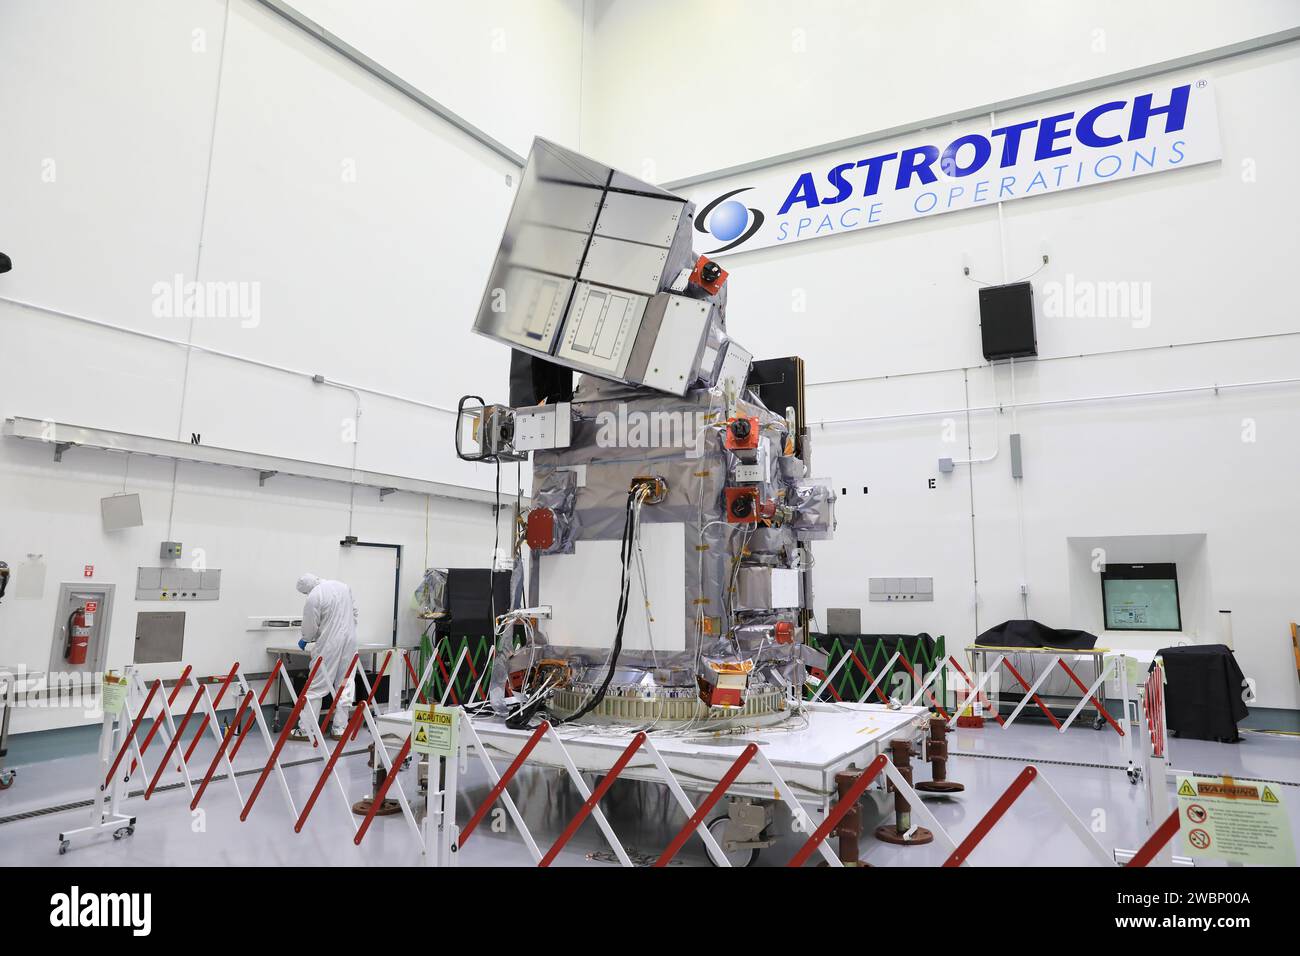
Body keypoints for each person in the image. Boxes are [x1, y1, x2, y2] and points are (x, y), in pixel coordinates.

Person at [289, 572, 359, 741]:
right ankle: (340, 728)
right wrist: (347, 630)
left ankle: (306, 729)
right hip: (350, 641)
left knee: (316, 685)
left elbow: (310, 622)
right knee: (345, 683)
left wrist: (306, 638)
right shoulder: (344, 587)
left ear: (306, 588)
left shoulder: (315, 594)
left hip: (329, 644)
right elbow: (355, 612)